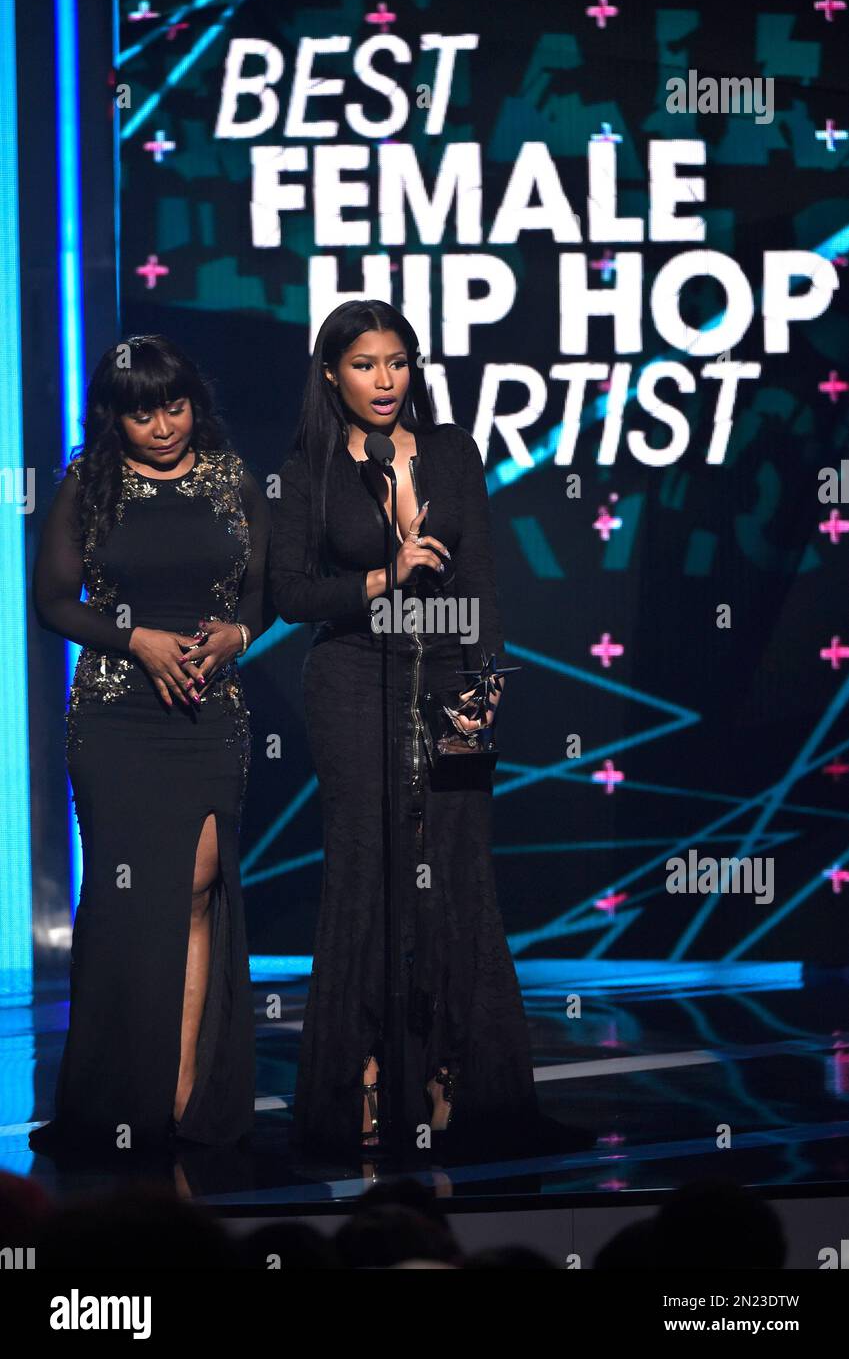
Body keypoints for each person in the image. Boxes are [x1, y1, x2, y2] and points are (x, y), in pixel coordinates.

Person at [269, 299, 541, 1161]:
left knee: (455, 873)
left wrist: (486, 676)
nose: (385, 381)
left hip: (451, 677)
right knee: (372, 873)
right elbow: (290, 597)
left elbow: (486, 577)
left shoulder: (453, 449)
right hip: (352, 679)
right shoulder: (307, 468)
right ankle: (368, 1075)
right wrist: (382, 577)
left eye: (398, 361)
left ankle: (455, 1074)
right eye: (364, 364)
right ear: (330, 374)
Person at [30, 334, 272, 1155]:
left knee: (200, 889)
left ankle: (180, 1099)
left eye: (174, 408)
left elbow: (264, 592)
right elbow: (55, 602)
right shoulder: (88, 488)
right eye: (143, 414)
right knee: (126, 902)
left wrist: (241, 631)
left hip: (210, 712)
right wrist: (136, 641)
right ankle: (114, 1101)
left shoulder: (231, 477)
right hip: (115, 718)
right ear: (115, 419)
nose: (163, 427)